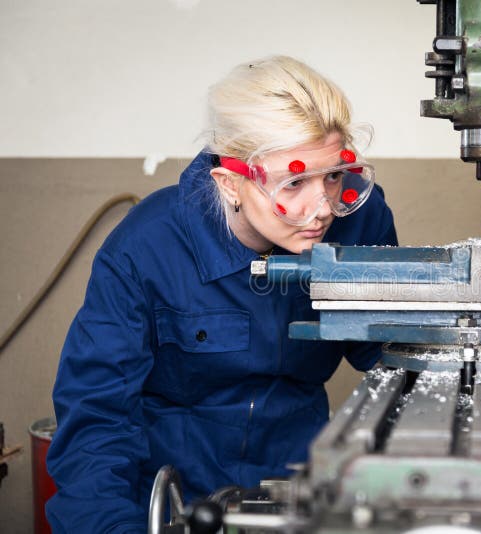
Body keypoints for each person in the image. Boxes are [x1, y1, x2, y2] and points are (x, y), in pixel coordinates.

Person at [45, 56, 398, 533]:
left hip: (301, 494)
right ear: (230, 183)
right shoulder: (146, 247)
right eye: (294, 182)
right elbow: (96, 418)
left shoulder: (360, 216)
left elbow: (388, 354)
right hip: (176, 500)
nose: (323, 209)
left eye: (335, 175)